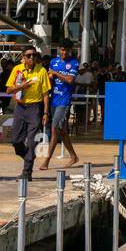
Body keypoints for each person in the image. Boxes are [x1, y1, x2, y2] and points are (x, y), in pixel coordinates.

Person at [5, 46, 51, 180]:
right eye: (29, 55)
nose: (32, 58)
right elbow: (9, 90)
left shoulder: (41, 71)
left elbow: (46, 94)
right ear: (23, 58)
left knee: (32, 141)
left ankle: (27, 172)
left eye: (34, 55)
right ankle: (28, 156)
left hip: (35, 108)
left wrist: (45, 113)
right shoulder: (17, 69)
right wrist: (22, 86)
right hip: (20, 107)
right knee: (15, 140)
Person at [40, 41, 80, 170]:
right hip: (53, 100)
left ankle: (46, 161)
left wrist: (56, 73)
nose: (64, 52)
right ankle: (73, 156)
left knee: (54, 128)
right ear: (59, 50)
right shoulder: (54, 62)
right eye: (62, 50)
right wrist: (50, 76)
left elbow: (70, 80)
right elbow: (49, 77)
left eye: (66, 50)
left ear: (70, 50)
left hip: (64, 101)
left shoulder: (74, 63)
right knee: (62, 131)